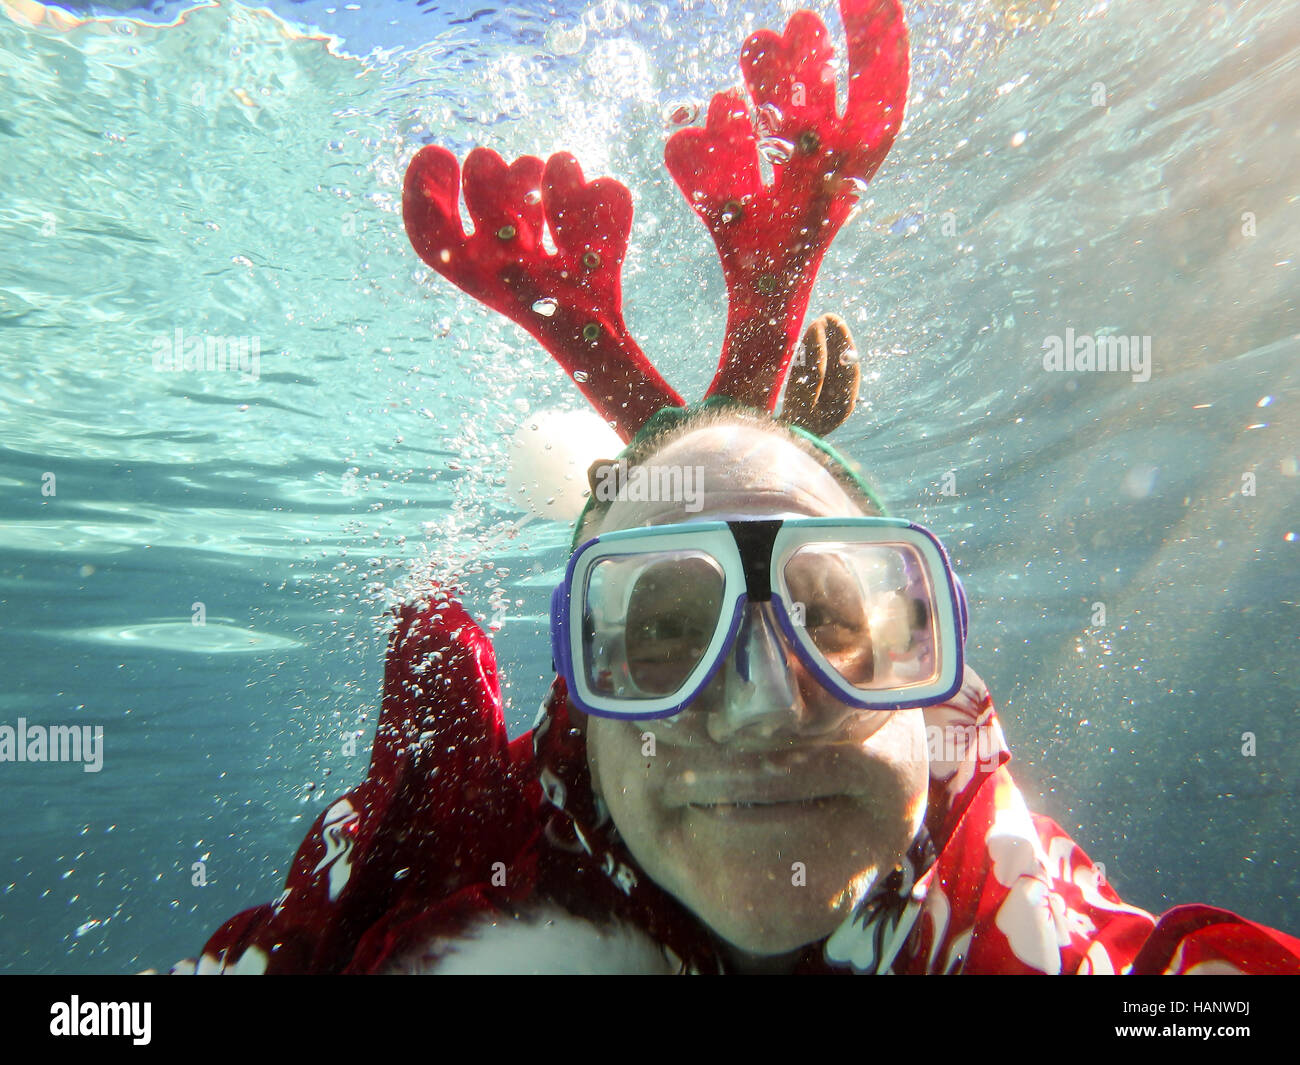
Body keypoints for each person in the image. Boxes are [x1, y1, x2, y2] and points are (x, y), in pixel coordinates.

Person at [163, 0, 1299, 974]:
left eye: (828, 616)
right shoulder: (441, 849)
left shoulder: (1024, 912)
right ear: (580, 701)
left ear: (931, 658)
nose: (758, 704)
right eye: (661, 633)